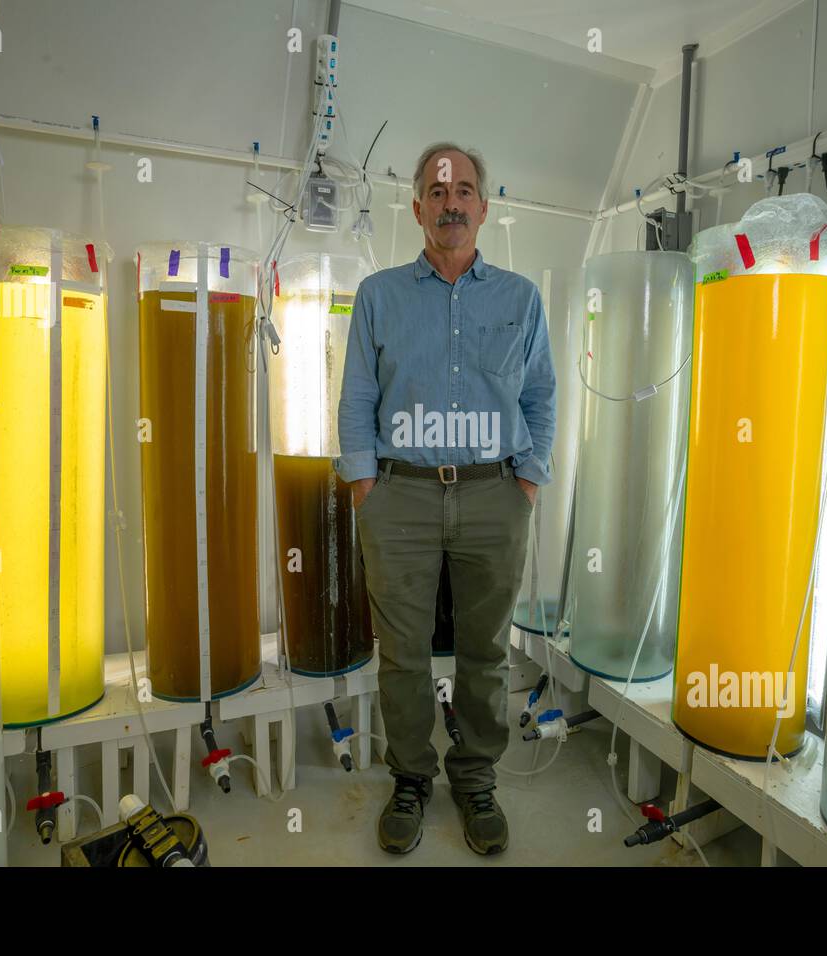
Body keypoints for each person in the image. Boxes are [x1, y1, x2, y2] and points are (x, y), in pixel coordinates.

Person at [336, 142, 556, 855]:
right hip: (399, 496)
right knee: (401, 652)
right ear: (418, 207)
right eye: (438, 191)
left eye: (465, 190)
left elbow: (540, 394)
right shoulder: (379, 295)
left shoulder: (520, 298)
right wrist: (366, 485)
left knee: (486, 650)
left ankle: (475, 776)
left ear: (484, 208)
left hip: (495, 494)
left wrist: (527, 479)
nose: (451, 202)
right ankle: (409, 777)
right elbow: (358, 397)